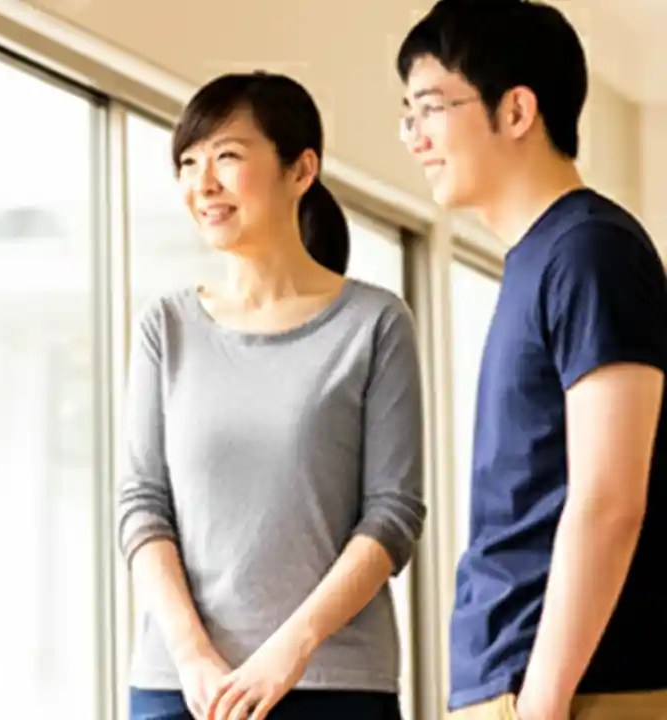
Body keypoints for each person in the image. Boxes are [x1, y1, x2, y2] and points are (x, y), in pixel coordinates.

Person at [117, 72, 426, 720]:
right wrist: (192, 655)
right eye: (188, 163)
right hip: (184, 689)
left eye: (227, 157)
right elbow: (142, 507)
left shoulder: (375, 324)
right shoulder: (165, 328)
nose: (203, 184)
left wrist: (292, 650)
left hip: (334, 684)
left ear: (301, 168)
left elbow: (392, 514)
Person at [397, 2, 667, 718]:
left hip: (573, 689)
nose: (415, 138)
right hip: (511, 682)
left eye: (430, 108)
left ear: (517, 110)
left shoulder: (591, 251)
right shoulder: (535, 260)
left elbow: (609, 498)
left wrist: (542, 702)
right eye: (407, 115)